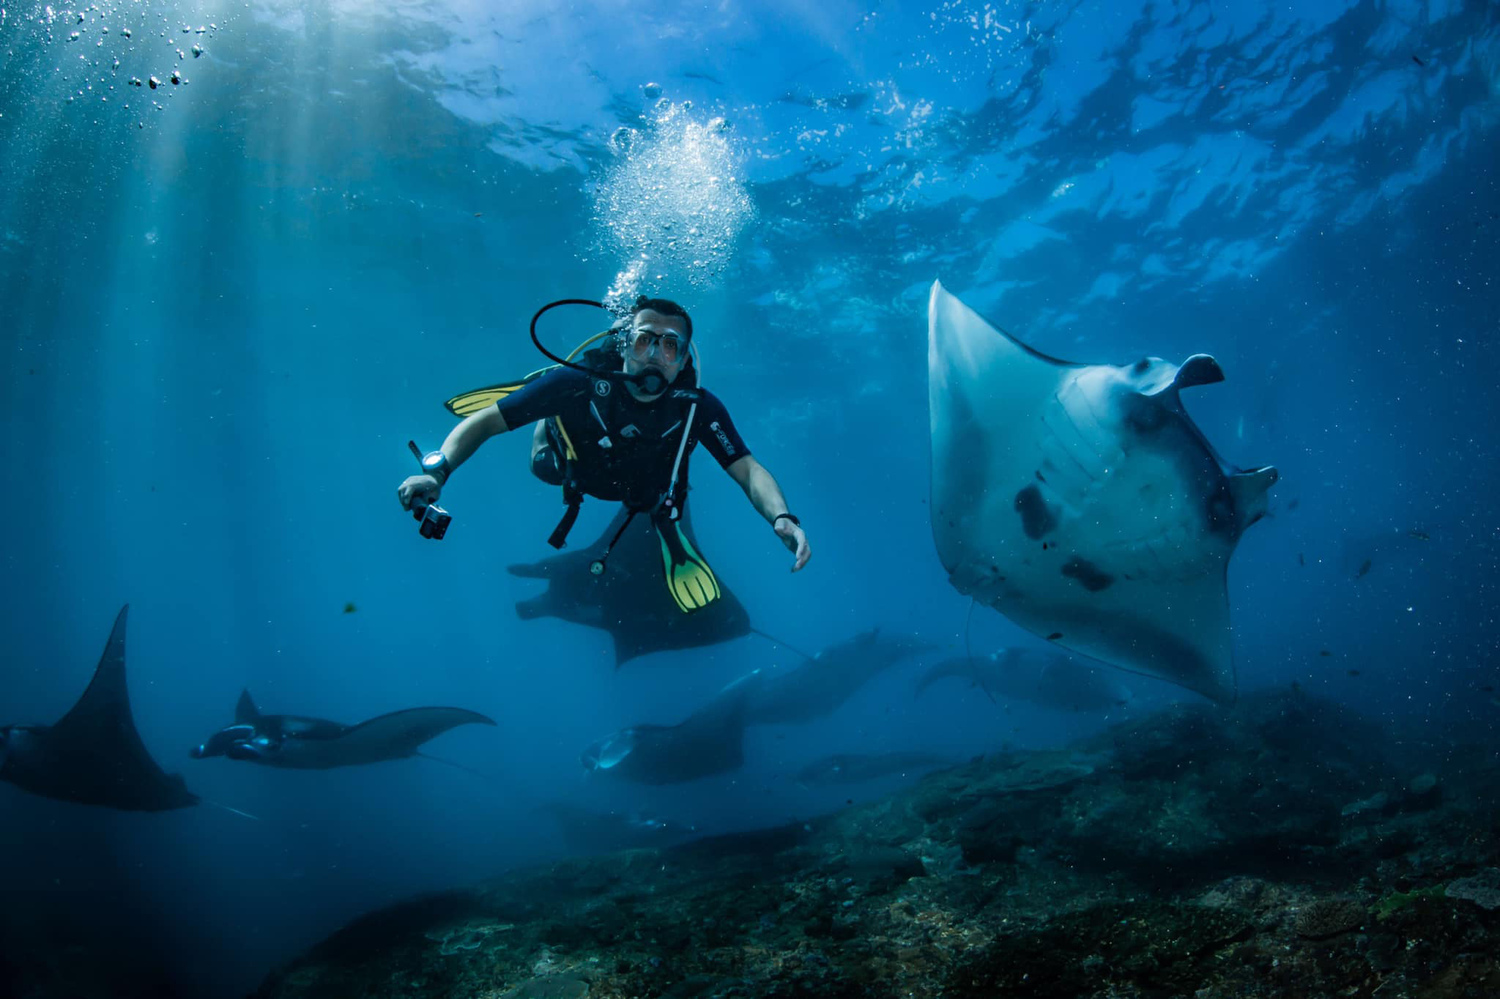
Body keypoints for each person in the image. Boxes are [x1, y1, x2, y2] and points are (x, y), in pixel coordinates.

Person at [397, 296, 811, 592]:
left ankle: (539, 397)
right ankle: (539, 399)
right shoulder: (576, 384)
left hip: (638, 485)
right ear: (624, 342)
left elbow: (748, 468)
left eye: (671, 346)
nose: (655, 354)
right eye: (645, 339)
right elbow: (485, 422)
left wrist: (781, 517)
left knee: (660, 505)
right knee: (542, 468)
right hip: (573, 465)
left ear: (685, 360)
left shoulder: (697, 407)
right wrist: (438, 472)